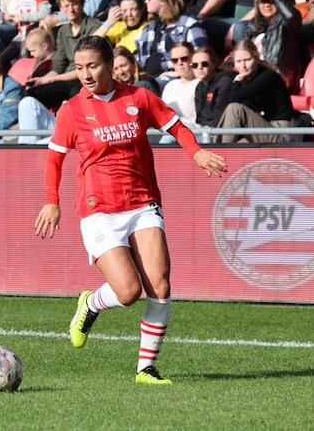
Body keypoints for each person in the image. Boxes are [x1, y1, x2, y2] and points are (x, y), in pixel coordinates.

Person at [35, 34, 225, 385]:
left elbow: (177, 127)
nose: (86, 74)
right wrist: (51, 200)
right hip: (99, 209)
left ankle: (146, 369)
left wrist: (196, 152)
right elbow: (54, 159)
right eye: (79, 68)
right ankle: (91, 304)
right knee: (127, 292)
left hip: (142, 202)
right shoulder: (72, 110)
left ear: (110, 65)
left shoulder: (138, 97)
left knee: (160, 286)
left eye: (93, 66)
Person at [216, 39, 296, 142]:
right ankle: (217, 150)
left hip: (281, 131)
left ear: (256, 58)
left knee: (235, 108)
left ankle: (222, 153)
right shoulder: (247, 79)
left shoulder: (267, 76)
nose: (243, 65)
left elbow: (234, 99)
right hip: (264, 128)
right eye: (239, 61)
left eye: (247, 60)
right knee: (238, 145)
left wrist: (236, 80)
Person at [135, 0, 205, 76]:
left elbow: (201, 55)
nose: (146, 1)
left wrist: (175, 73)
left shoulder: (188, 23)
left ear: (162, 0)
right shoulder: (148, 28)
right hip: (147, 78)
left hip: (176, 78)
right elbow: (137, 57)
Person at [243, 0, 304, 90]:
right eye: (263, 1)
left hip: (277, 75)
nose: (267, 5)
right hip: (252, 73)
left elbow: (291, 16)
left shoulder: (286, 24)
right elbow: (243, 50)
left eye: (271, 1)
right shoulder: (253, 25)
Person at [192, 45, 234, 127]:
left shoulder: (225, 82)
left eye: (204, 64)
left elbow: (220, 116)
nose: (199, 68)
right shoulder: (199, 86)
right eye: (195, 65)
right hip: (202, 128)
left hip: (217, 130)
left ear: (214, 64)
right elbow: (199, 116)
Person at [159, 42, 199, 124]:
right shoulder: (170, 86)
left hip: (194, 131)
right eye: (175, 60)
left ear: (193, 58)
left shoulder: (201, 84)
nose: (179, 63)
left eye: (184, 59)